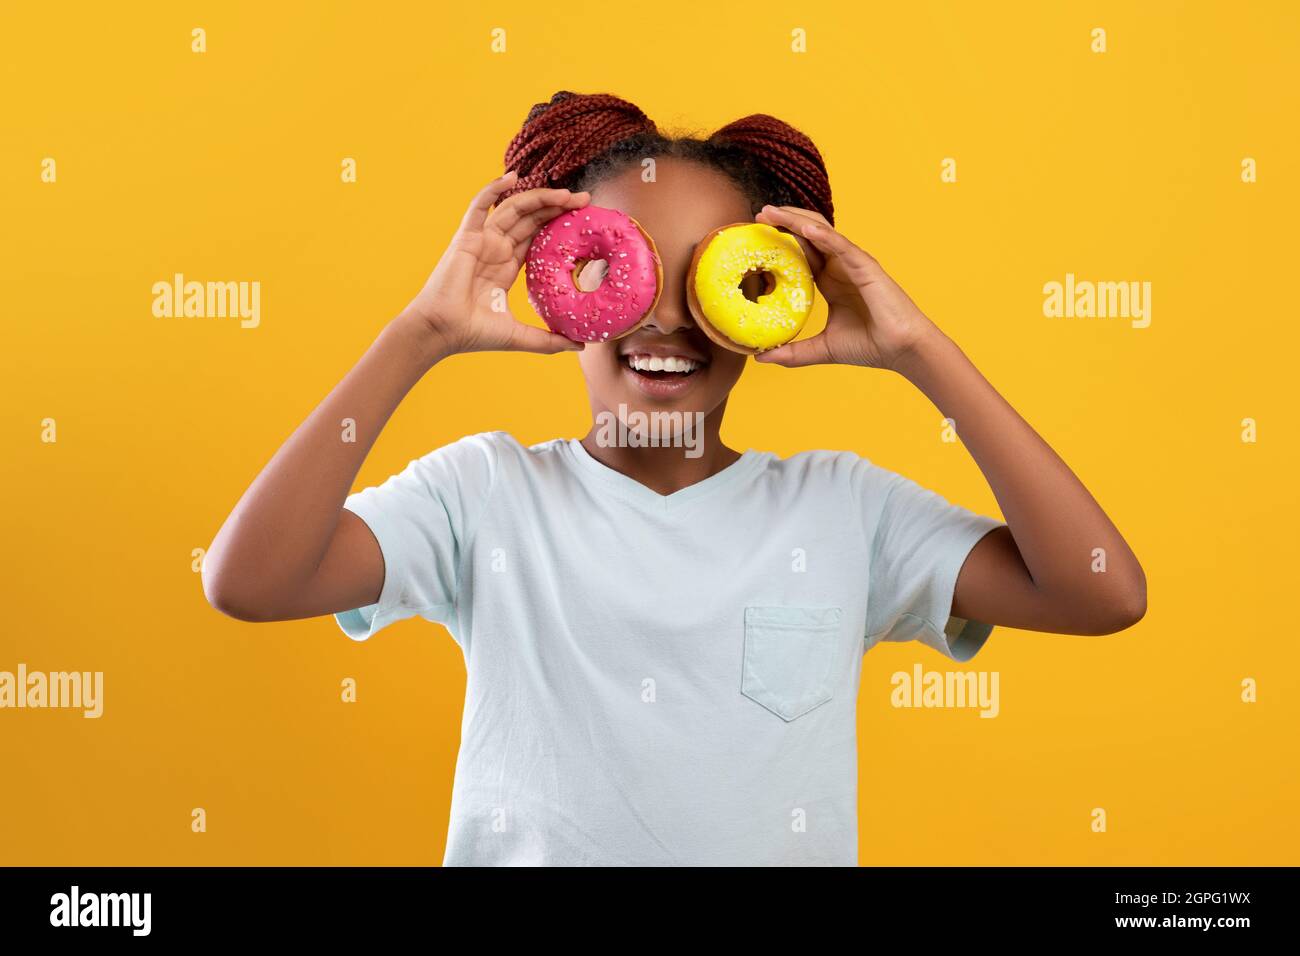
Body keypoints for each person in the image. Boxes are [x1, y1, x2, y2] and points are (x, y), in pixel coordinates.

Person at [202, 92, 1146, 865]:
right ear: (556, 279)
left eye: (712, 282)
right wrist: (421, 335)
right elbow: (250, 580)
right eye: (625, 271)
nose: (665, 323)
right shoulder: (485, 498)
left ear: (770, 302)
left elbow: (1102, 591)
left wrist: (917, 349)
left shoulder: (843, 510)